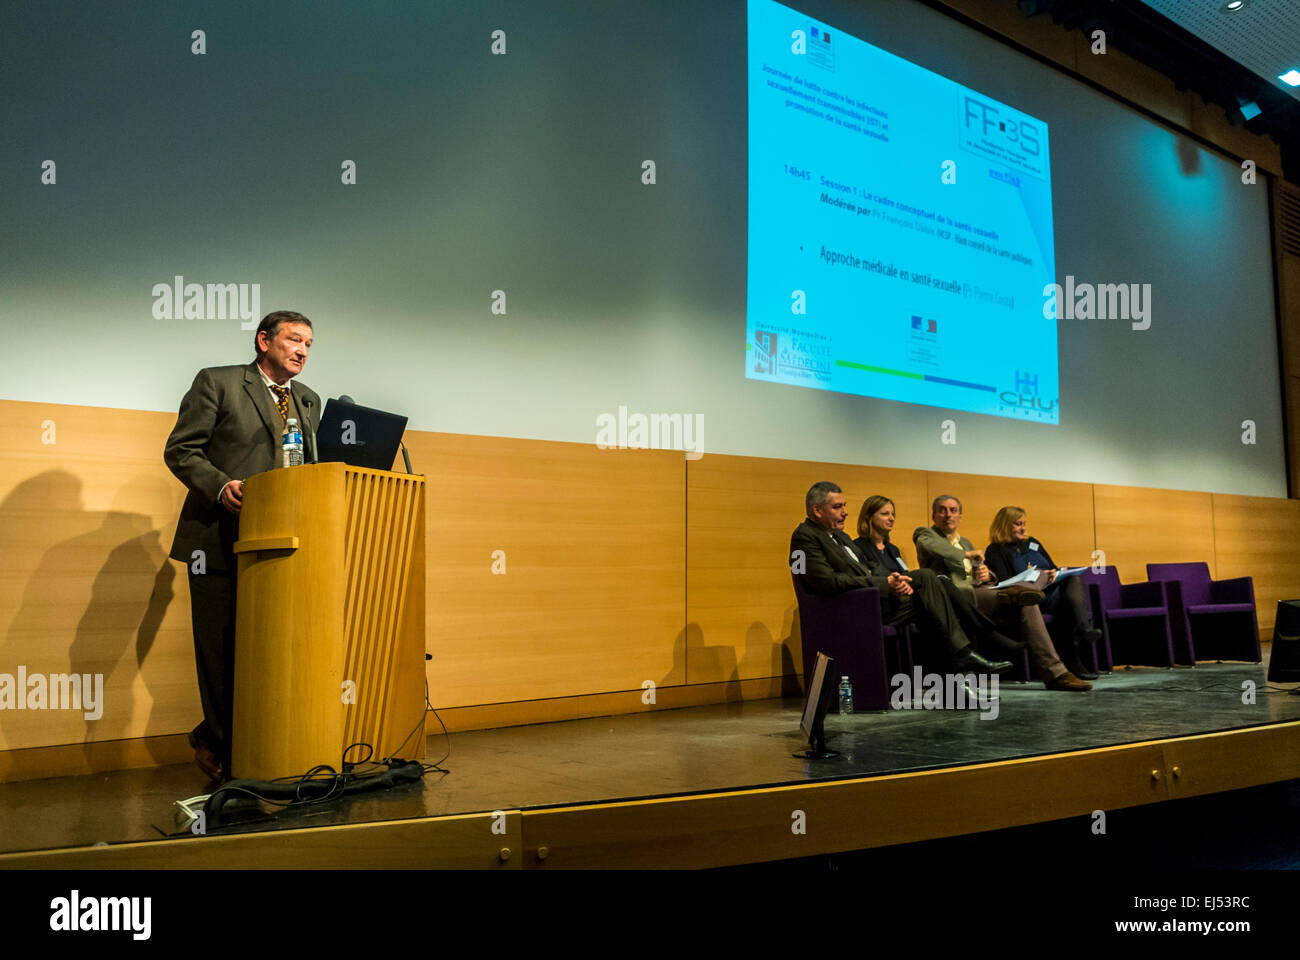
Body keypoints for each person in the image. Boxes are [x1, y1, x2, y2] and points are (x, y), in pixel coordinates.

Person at [163, 311, 320, 781]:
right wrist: (221, 485)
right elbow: (181, 450)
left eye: (309, 344)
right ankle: (228, 754)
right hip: (214, 543)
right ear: (263, 340)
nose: (303, 351)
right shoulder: (219, 382)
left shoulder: (308, 401)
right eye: (294, 340)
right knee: (221, 650)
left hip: (278, 545)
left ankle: (230, 741)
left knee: (265, 652)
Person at [790, 482, 1012, 677]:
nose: (845, 512)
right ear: (817, 510)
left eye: (844, 506)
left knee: (932, 590)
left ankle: (958, 671)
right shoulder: (805, 536)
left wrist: (895, 579)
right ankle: (965, 658)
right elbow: (826, 582)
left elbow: (869, 568)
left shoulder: (840, 535)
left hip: (872, 601)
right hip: (854, 607)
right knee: (931, 588)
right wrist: (884, 584)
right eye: (837, 507)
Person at [914, 495, 1092, 692]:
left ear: (960, 516)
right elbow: (934, 548)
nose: (948, 515)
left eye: (953, 510)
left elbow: (983, 571)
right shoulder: (926, 534)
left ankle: (1057, 674)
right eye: (942, 510)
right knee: (1026, 590)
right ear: (933, 515)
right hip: (952, 597)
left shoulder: (964, 541)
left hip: (980, 592)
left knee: (1028, 600)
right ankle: (1021, 597)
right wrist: (966, 555)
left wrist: (984, 574)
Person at [853, 495, 1024, 660]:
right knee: (941, 583)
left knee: (943, 585)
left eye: (893, 514)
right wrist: (966, 554)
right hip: (891, 603)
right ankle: (987, 639)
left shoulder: (892, 549)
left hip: (920, 597)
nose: (891, 518)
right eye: (885, 514)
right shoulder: (860, 547)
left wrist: (986, 575)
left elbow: (904, 574)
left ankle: (977, 650)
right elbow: (876, 578)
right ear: (868, 516)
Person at [984, 506, 1102, 680]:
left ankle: (1082, 633)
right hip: (1028, 597)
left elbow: (1052, 566)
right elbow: (1005, 580)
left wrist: (1055, 572)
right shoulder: (995, 550)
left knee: (1073, 579)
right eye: (1018, 524)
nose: (1023, 528)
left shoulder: (1034, 543)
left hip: (1051, 591)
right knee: (1067, 608)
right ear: (1004, 525)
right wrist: (1038, 575)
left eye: (1024, 523)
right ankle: (1077, 650)